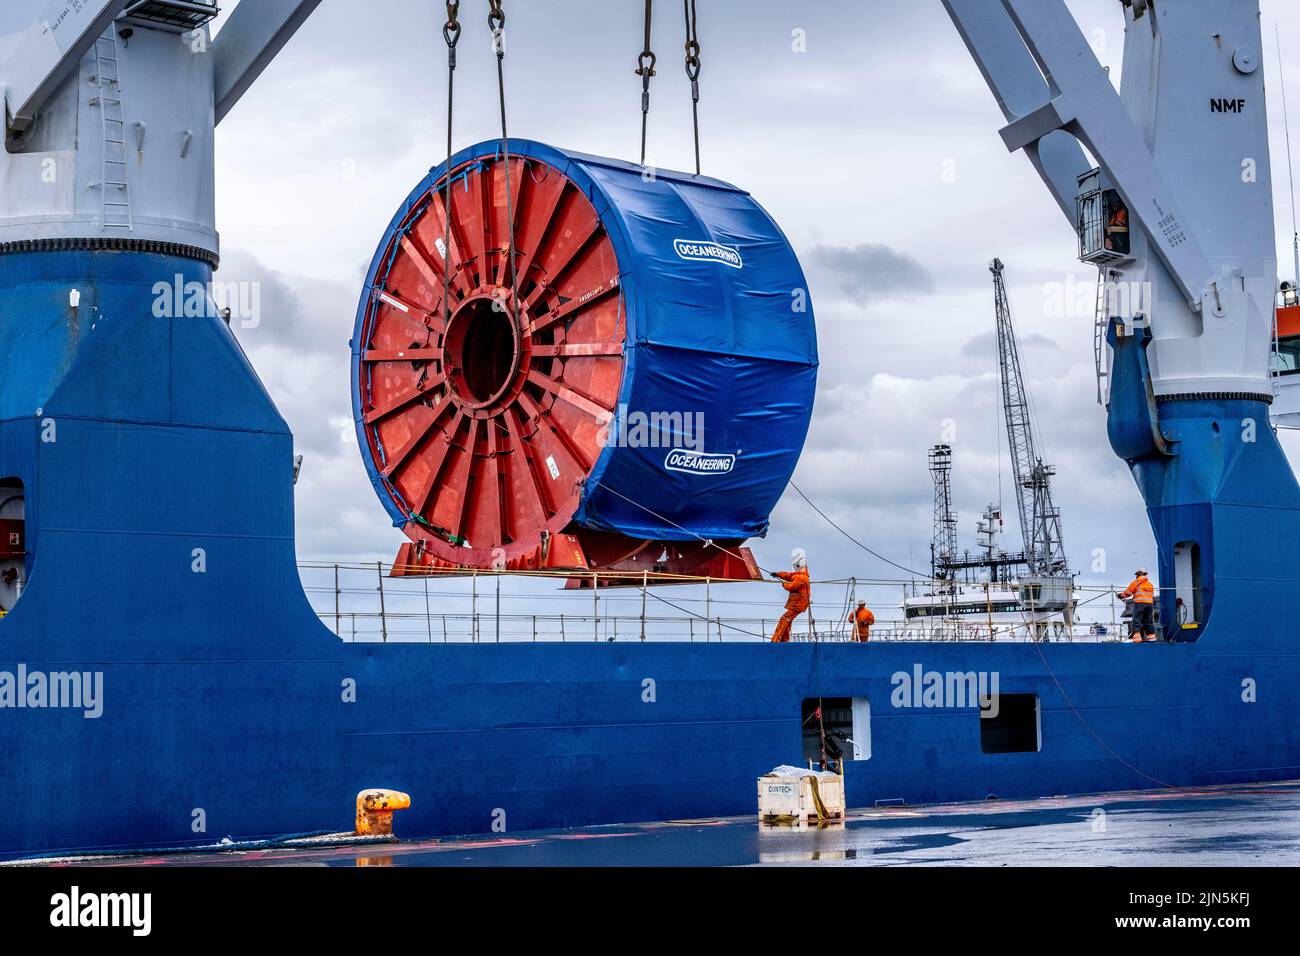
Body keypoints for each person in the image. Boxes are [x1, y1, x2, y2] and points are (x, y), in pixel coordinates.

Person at [769, 548, 810, 643]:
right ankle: (784, 639)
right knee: (787, 619)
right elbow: (788, 575)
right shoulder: (799, 575)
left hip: (798, 604)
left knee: (784, 619)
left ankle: (776, 639)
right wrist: (778, 574)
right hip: (797, 603)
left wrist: (784, 584)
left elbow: (791, 587)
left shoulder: (801, 578)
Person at [1117, 568, 1156, 642]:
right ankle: (1152, 639)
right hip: (1149, 605)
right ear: (1145, 574)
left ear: (1138, 574)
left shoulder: (1136, 582)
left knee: (1137, 621)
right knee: (1148, 622)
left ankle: (1137, 640)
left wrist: (1120, 596)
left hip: (1139, 604)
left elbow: (1128, 592)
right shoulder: (1150, 584)